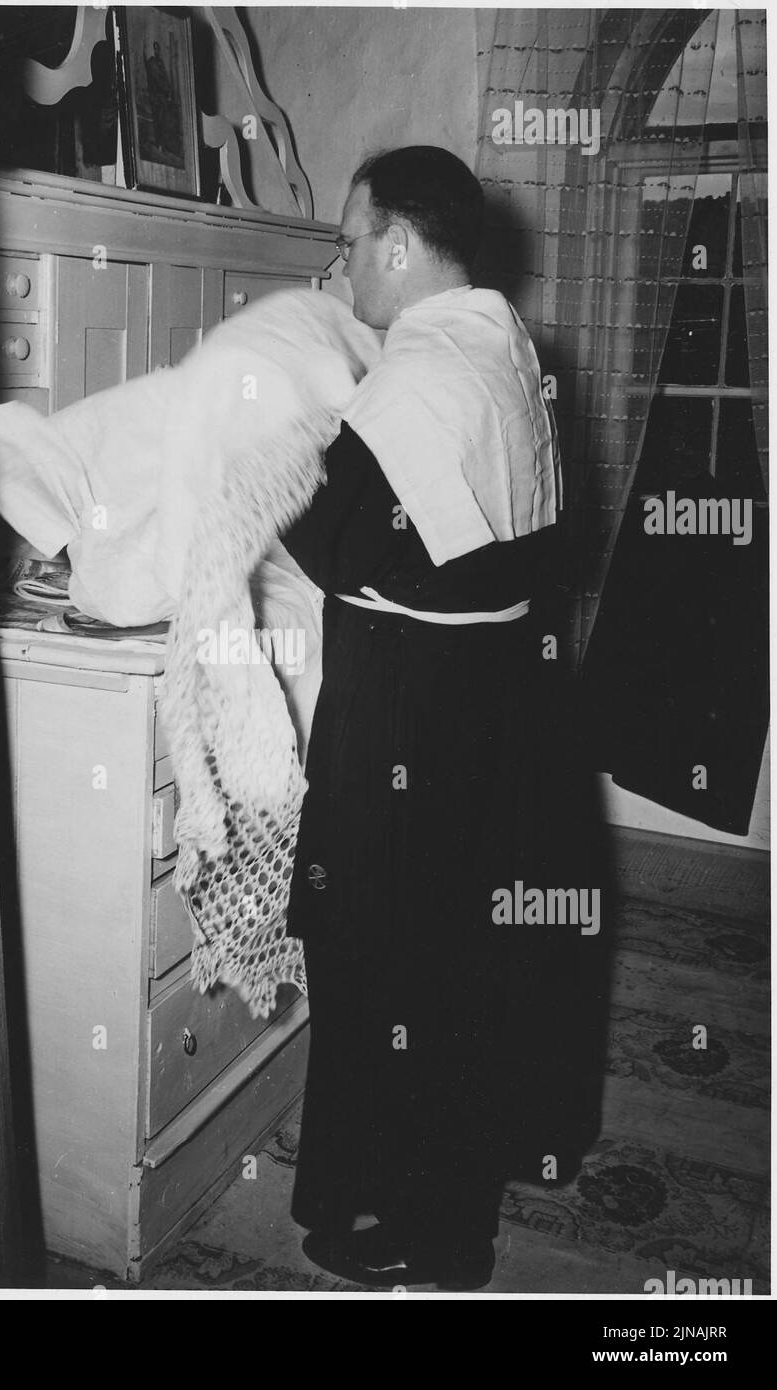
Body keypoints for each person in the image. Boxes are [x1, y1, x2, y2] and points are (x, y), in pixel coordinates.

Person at [278, 147, 606, 1290]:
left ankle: (413, 1224)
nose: (341, 262)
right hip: (485, 700)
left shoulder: (417, 372)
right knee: (444, 964)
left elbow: (334, 542)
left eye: (350, 238)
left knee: (383, 963)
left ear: (399, 246)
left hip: (409, 705)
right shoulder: (494, 336)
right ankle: (395, 1191)